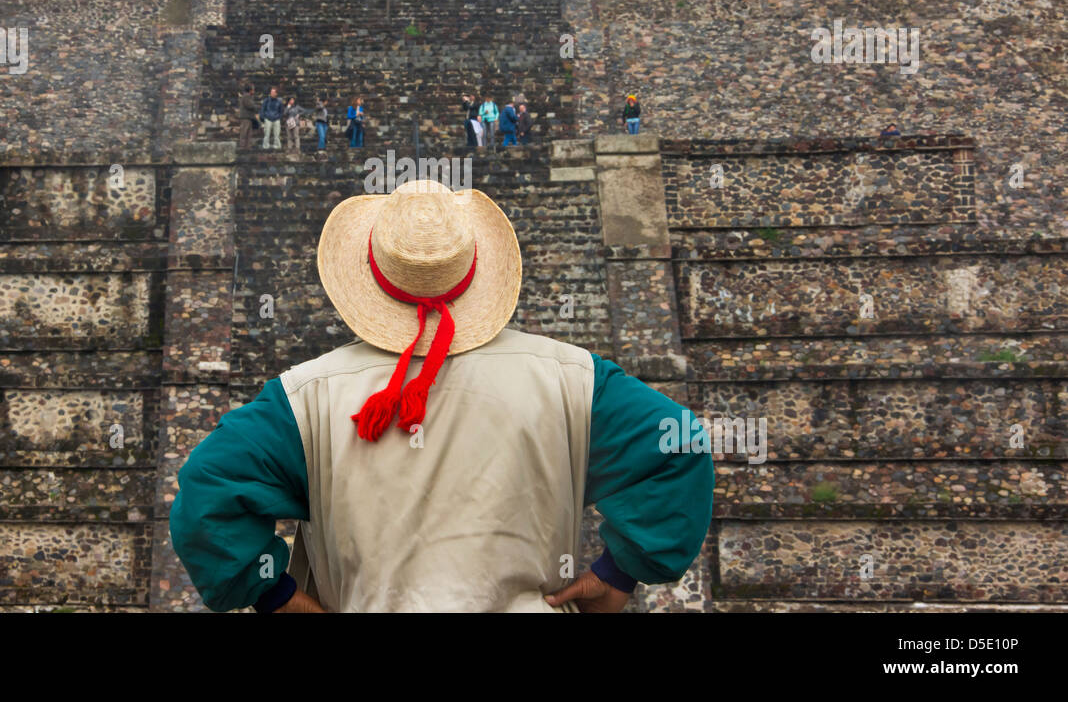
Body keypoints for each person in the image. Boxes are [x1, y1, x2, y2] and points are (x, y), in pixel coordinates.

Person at [170, 178, 714, 612]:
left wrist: (276, 593)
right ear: (475, 271)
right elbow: (682, 442)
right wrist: (617, 574)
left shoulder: (305, 397)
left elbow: (206, 495)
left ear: (369, 273)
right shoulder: (574, 377)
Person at [237, 83, 259, 149]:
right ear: (250, 90)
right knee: (244, 132)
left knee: (249, 133)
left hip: (249, 117)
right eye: (253, 89)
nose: (254, 91)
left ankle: (247, 146)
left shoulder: (248, 96)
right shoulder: (246, 96)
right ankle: (243, 146)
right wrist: (256, 107)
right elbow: (250, 105)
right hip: (246, 117)